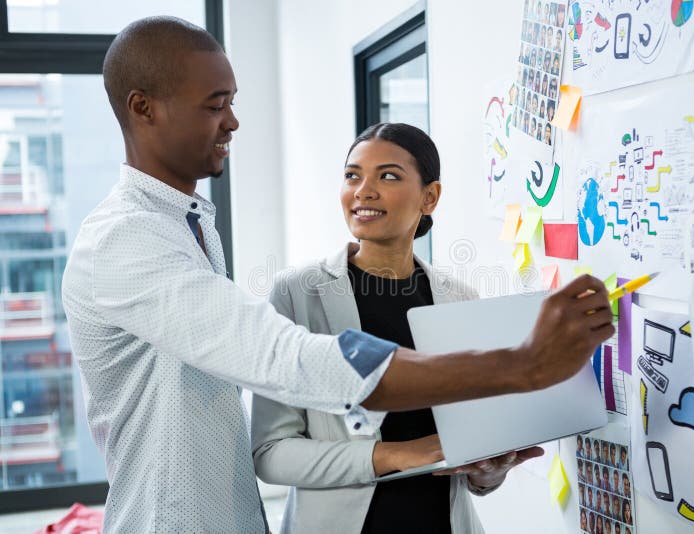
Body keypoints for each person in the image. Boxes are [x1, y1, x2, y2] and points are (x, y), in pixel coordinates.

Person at [62, 18, 615, 533]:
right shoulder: (126, 239)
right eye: (215, 105)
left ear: (430, 199)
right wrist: (519, 366)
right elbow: (288, 362)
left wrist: (483, 460)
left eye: (231, 103)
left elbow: (470, 445)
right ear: (144, 109)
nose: (232, 121)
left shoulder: (190, 227)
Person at [251, 123, 562, 533]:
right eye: (352, 175)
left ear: (429, 197)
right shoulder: (298, 293)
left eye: (388, 176)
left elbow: (467, 454)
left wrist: (488, 472)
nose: (363, 190)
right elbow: (271, 453)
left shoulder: (460, 300)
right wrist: (397, 455)